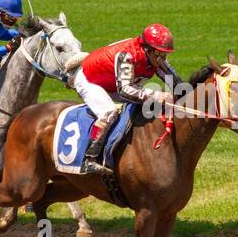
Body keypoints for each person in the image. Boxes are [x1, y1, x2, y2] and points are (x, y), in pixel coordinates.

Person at [74, 24, 179, 172]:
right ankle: (89, 158)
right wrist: (156, 95)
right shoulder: (127, 55)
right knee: (109, 112)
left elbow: (171, 78)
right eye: (159, 54)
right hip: (90, 80)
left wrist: (186, 94)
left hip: (113, 82)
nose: (162, 58)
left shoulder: (153, 56)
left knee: (150, 99)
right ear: (147, 49)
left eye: (165, 54)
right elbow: (125, 90)